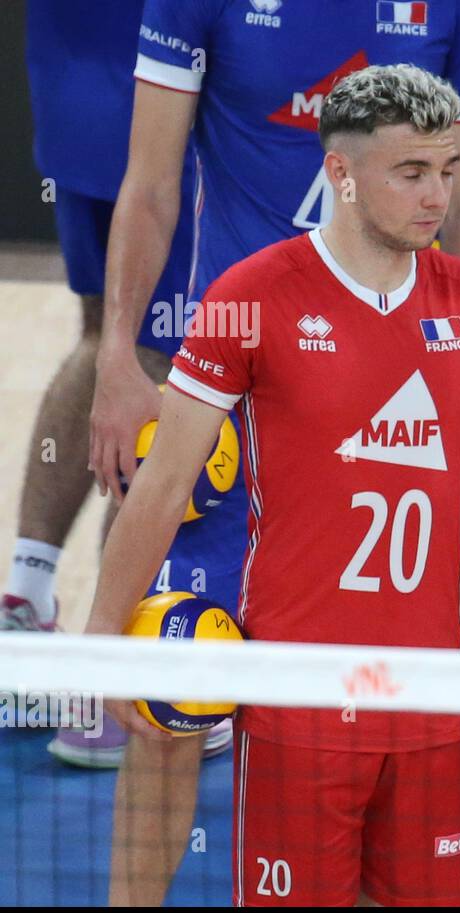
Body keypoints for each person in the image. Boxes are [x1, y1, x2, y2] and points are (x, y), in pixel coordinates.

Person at [89, 0, 460, 904]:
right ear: (346, 173)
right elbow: (149, 181)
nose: (436, 193)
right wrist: (115, 355)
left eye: (439, 171)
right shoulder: (250, 295)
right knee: (169, 715)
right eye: (414, 173)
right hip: (241, 392)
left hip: (406, 632)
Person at [4, 0, 240, 768]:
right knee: (161, 361)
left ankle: (26, 597)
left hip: (74, 94)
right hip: (163, 100)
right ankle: (124, 670)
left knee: (108, 338)